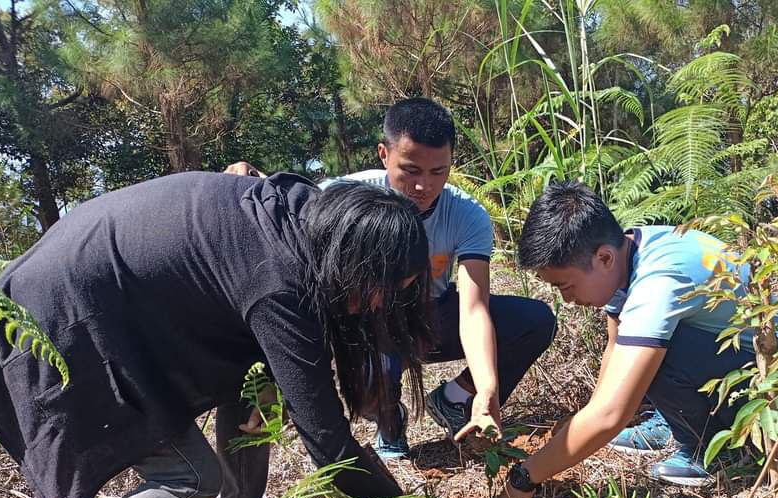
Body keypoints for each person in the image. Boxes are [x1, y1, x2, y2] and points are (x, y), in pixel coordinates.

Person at [0, 171, 454, 498]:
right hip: (60, 321)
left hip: (96, 299)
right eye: (378, 289)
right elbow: (328, 443)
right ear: (351, 260)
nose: (380, 304)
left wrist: (269, 383)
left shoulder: (302, 217)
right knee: (189, 477)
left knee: (256, 388)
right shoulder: (279, 277)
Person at [226, 97, 557, 459]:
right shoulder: (345, 195)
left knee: (533, 321)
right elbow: (286, 210)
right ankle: (388, 419)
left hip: (428, 317)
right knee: (372, 373)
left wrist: (486, 389)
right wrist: (250, 180)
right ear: (384, 154)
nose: (423, 186)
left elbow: (473, 309)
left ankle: (453, 401)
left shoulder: (466, 215)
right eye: (410, 170)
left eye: (438, 172)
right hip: (365, 321)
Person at [492, 180, 757, 498]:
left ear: (603, 257)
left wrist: (524, 478)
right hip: (727, 360)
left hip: (767, 383)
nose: (566, 300)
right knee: (639, 348)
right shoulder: (629, 249)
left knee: (653, 352)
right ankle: (676, 421)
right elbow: (615, 346)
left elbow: (612, 414)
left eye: (565, 285)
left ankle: (709, 450)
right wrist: (586, 414)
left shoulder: (659, 279)